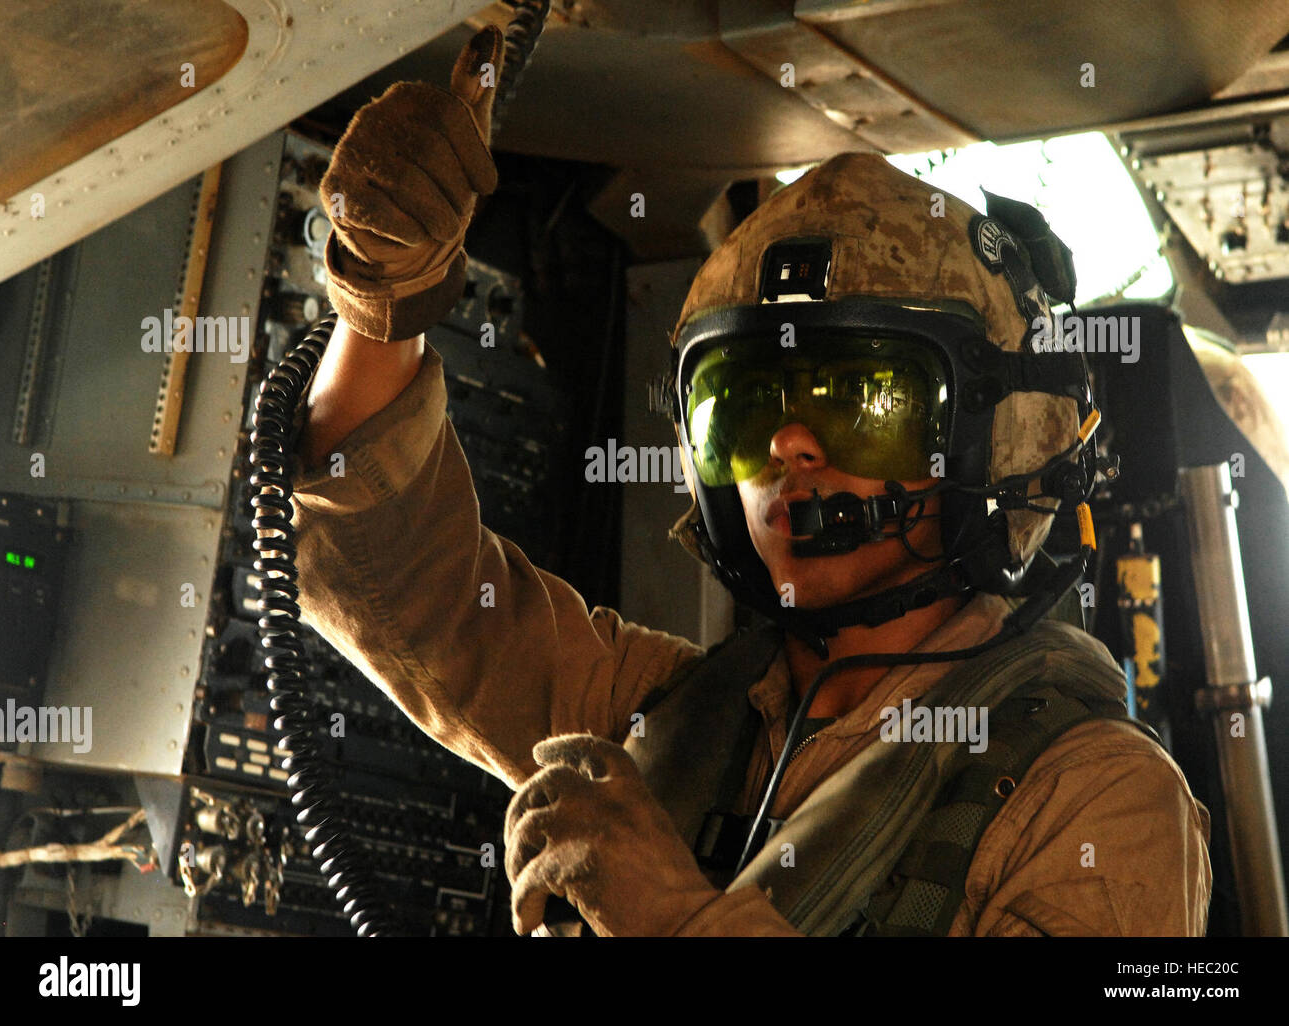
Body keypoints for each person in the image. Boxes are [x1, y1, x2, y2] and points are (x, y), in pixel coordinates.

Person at [291, 25, 1211, 936]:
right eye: (742, 405)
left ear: (999, 442)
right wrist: (385, 295)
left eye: (860, 401)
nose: (790, 449)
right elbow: (404, 585)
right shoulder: (673, 717)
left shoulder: (1097, 798)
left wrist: (675, 918)